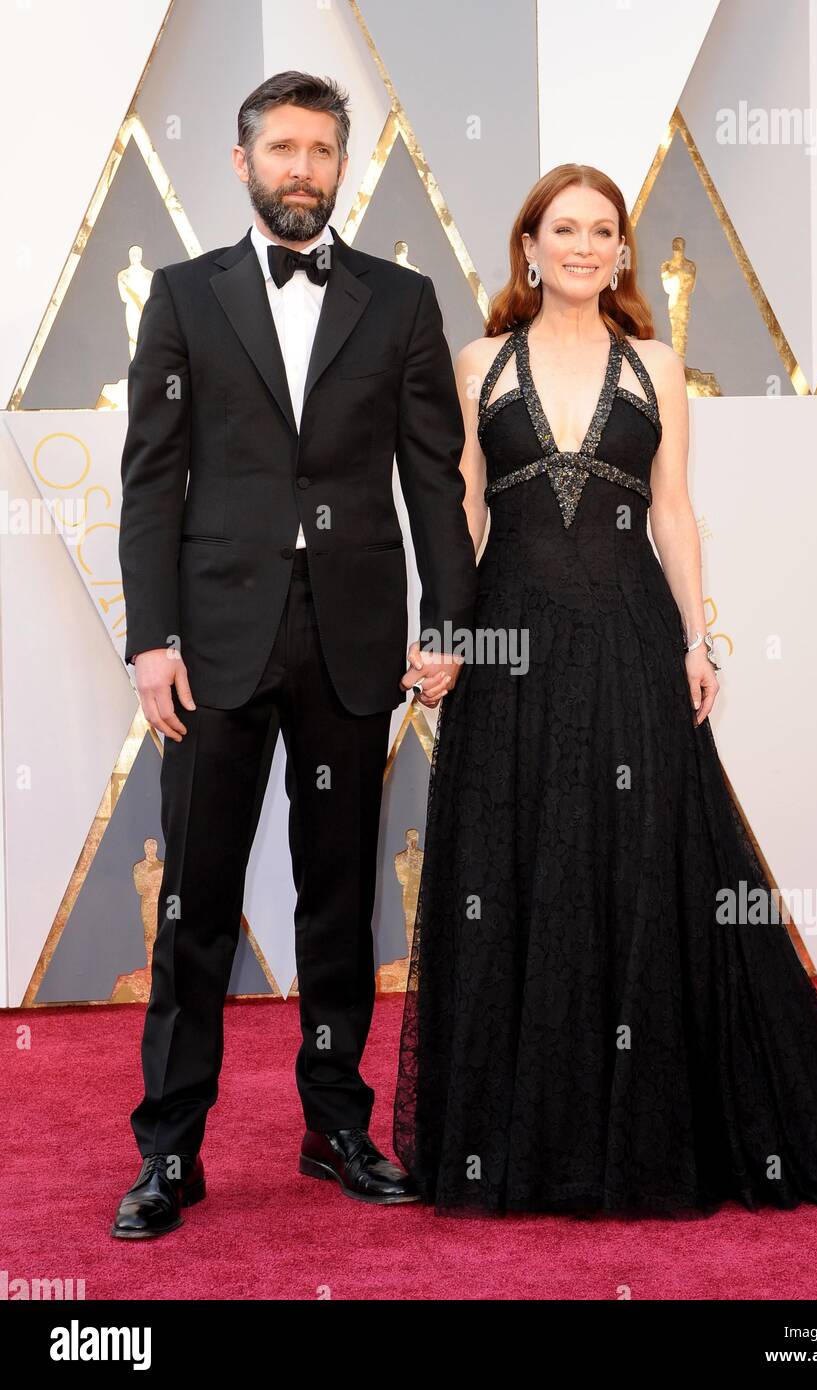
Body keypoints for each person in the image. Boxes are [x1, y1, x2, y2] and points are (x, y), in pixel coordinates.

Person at [392, 164, 817, 1217]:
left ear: (620, 253)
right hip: (510, 645)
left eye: (602, 230)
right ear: (527, 247)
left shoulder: (658, 367)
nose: (583, 246)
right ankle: (517, 1139)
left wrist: (697, 637)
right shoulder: (477, 362)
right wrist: (443, 635)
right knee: (516, 859)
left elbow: (673, 512)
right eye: (563, 229)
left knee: (642, 862)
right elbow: (459, 512)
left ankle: (649, 1126)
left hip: (633, 638)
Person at [111, 71, 475, 1238]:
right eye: (282, 148)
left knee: (338, 902)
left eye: (321, 150)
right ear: (242, 160)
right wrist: (151, 638)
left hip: (356, 644)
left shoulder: (402, 300)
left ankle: (336, 1126)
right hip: (214, 644)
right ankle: (170, 1150)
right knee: (194, 906)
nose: (302, 169)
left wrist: (447, 622)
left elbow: (433, 477)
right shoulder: (180, 296)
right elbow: (150, 481)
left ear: (342, 163)